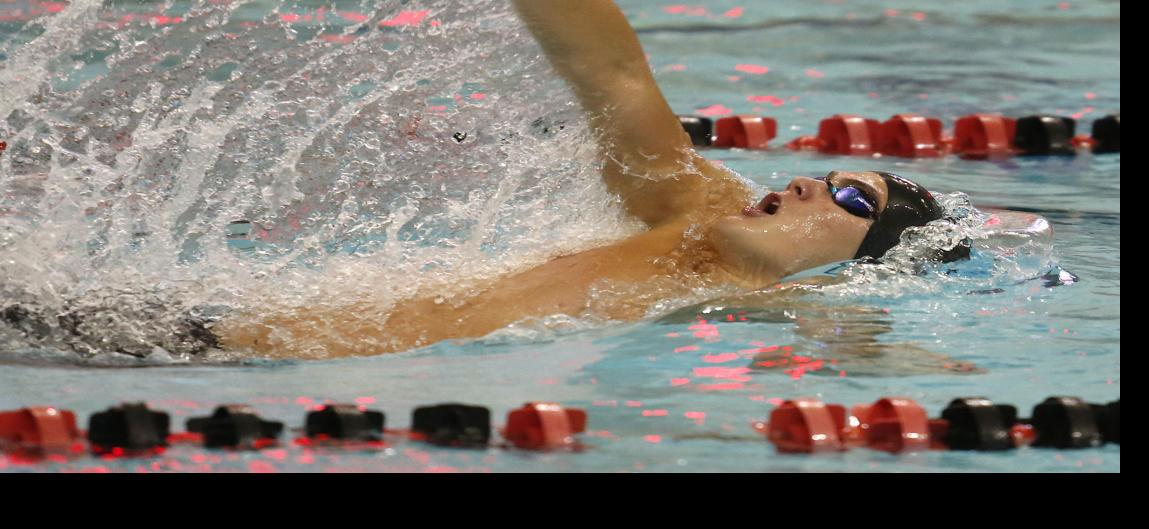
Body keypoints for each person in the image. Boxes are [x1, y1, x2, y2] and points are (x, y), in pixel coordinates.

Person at [215, 0, 968, 359]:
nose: (809, 185)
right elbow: (614, 76)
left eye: (848, 199)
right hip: (218, 335)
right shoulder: (691, 212)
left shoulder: (800, 311)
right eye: (823, 175)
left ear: (870, 264)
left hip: (260, 369)